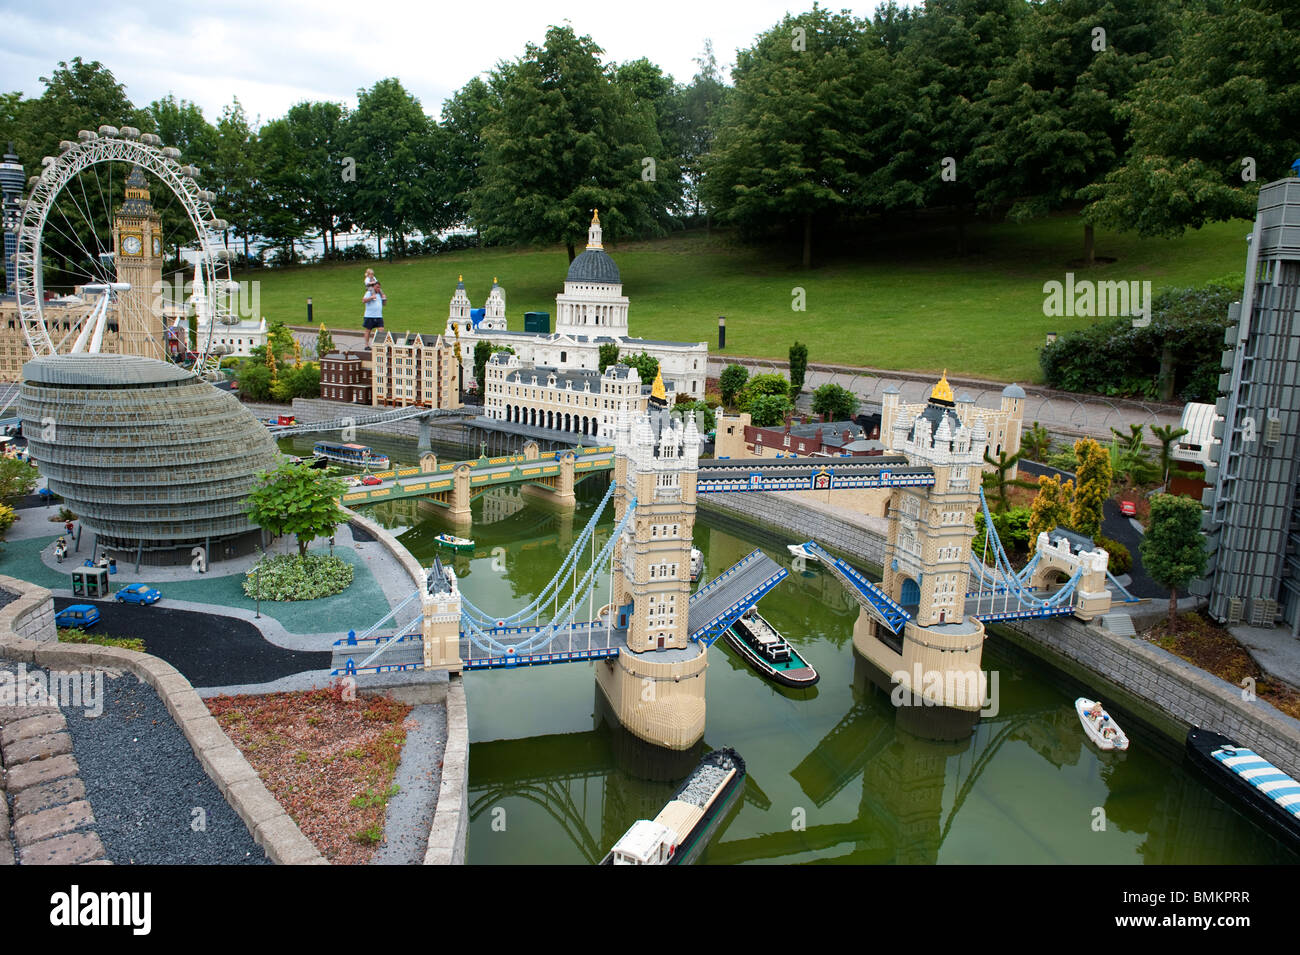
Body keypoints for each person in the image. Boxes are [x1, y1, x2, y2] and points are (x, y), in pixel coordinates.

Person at [362, 278, 386, 347]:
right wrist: (371, 297)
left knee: (381, 330)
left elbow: (384, 304)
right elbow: (363, 301)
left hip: (379, 316)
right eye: (377, 287)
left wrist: (384, 298)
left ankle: (379, 344)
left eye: (379, 287)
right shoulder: (369, 293)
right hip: (369, 316)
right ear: (373, 287)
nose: (378, 289)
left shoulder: (380, 294)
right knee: (368, 330)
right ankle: (366, 345)